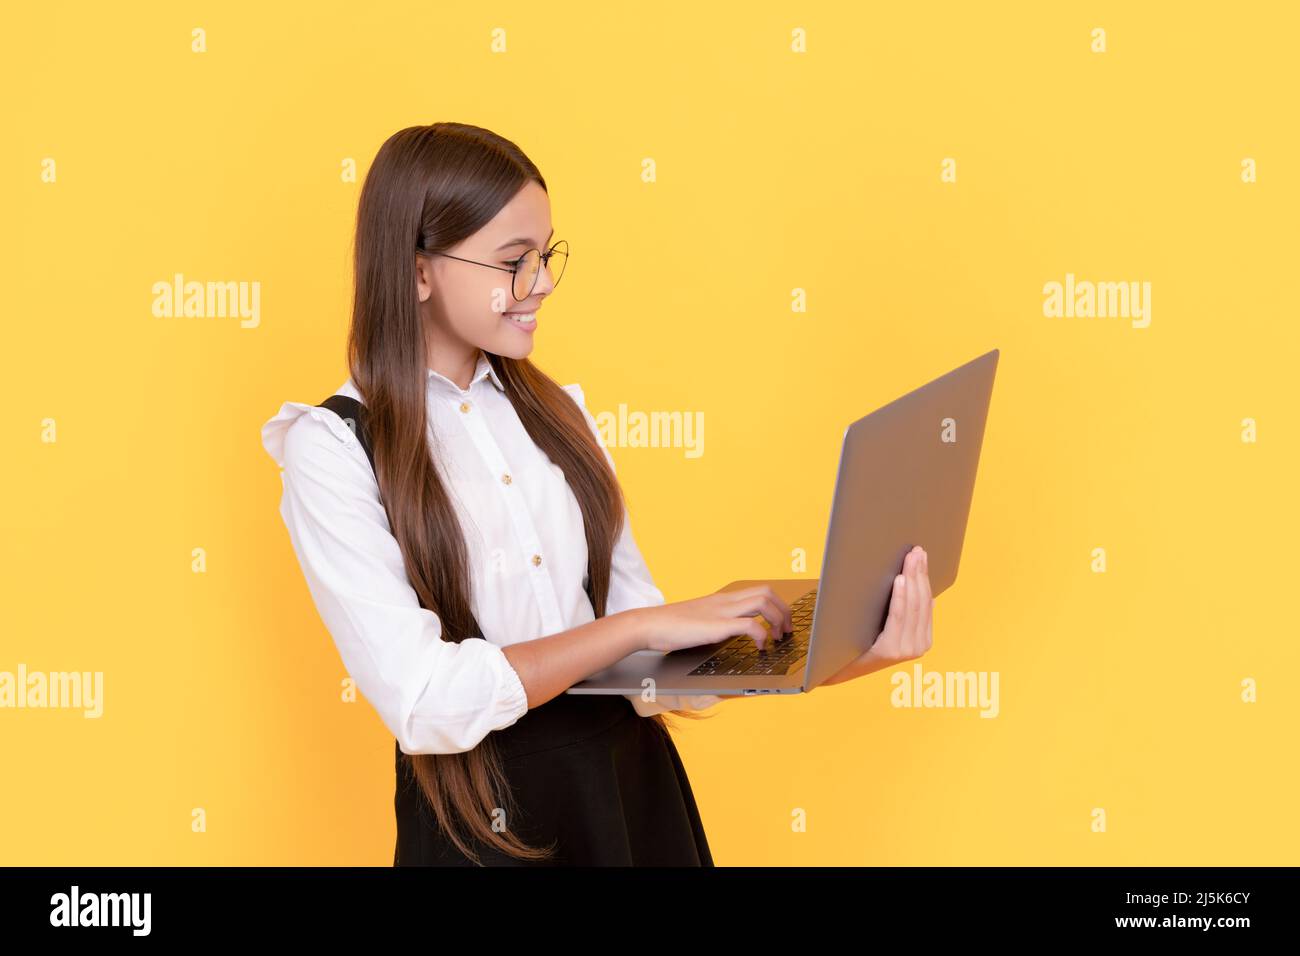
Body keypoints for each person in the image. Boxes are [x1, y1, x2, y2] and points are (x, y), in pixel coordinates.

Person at [260, 122, 935, 866]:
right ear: (418, 271)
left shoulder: (556, 413)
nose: (542, 283)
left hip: (631, 800)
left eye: (546, 256)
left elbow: (649, 668)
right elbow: (426, 701)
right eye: (514, 262)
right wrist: (637, 629)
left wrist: (846, 651)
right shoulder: (330, 448)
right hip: (483, 828)